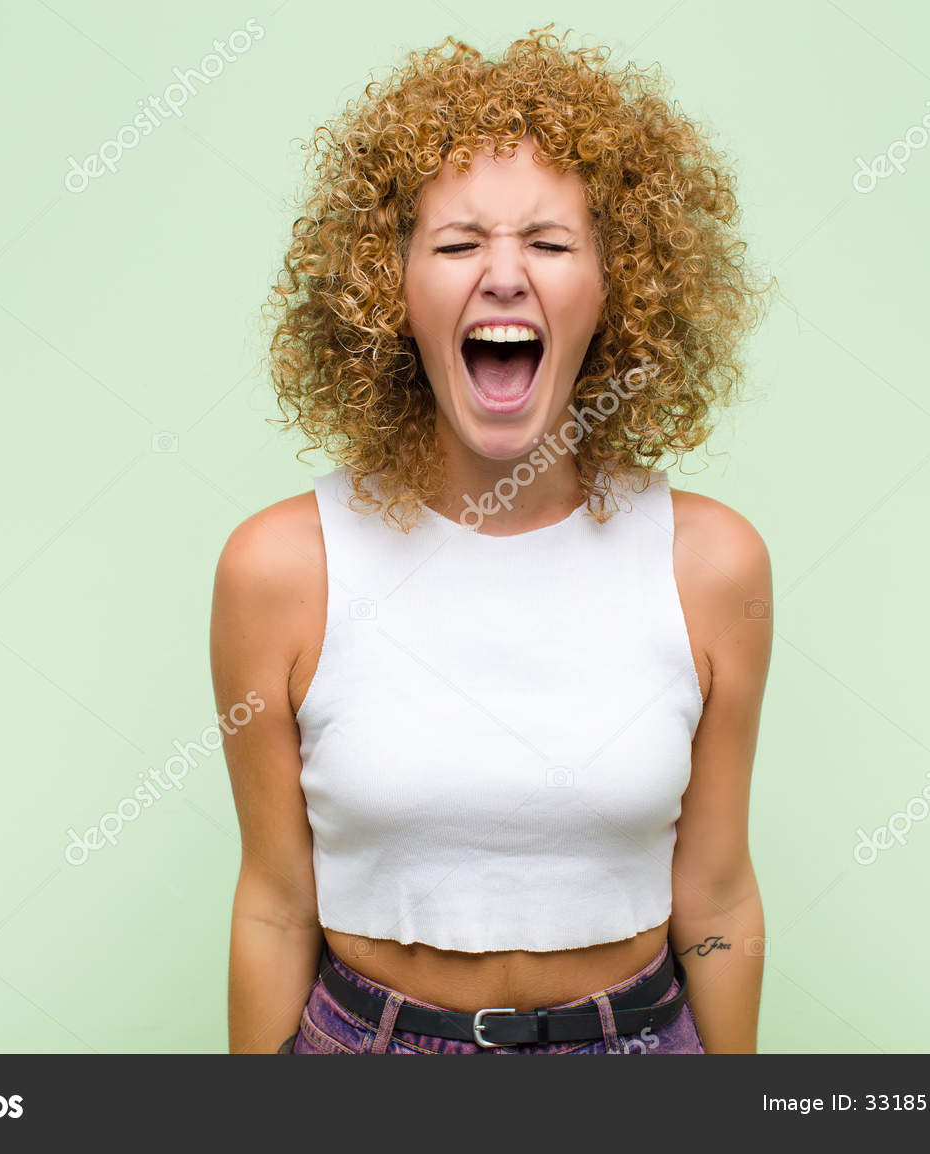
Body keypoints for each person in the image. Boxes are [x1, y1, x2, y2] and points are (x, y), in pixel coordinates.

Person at [214, 27, 773, 1054]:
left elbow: (719, 891)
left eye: (551, 245)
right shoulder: (279, 568)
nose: (505, 277)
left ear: (617, 290)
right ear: (393, 292)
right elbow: (275, 904)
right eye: (459, 243)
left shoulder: (712, 563)